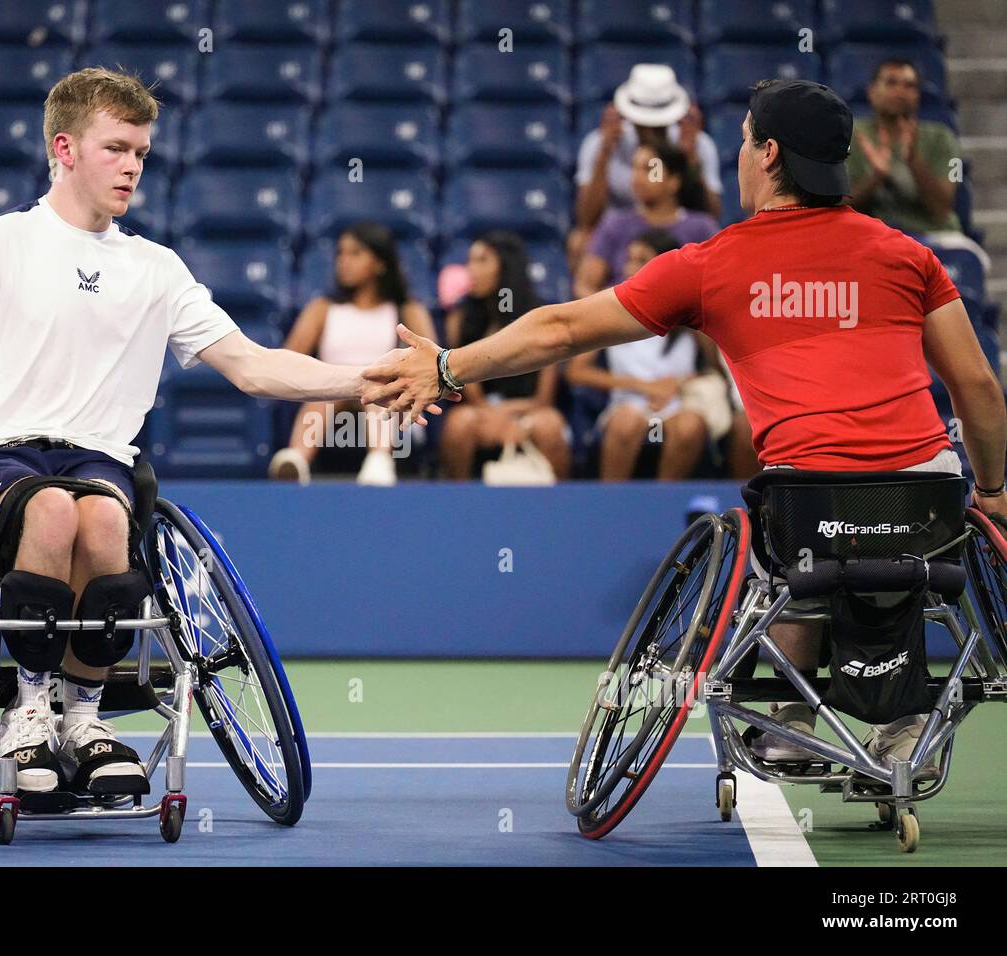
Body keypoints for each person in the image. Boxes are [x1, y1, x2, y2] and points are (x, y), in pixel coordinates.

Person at [362, 79, 1007, 773]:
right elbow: (977, 389)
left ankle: (790, 716)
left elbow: (562, 327)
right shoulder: (907, 254)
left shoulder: (714, 265)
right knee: (890, 526)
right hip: (927, 508)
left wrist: (450, 367)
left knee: (790, 538)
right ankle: (905, 723)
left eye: (741, 141)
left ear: (767, 154)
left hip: (808, 511)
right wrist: (993, 491)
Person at [0, 67, 445, 795]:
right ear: (64, 149)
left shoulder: (156, 269)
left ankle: (84, 718)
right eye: (117, 147)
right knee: (53, 506)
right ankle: (28, 712)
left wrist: (364, 380)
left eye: (142, 151)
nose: (133, 164)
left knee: (103, 517)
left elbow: (254, 367)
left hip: (99, 459)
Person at [268, 222, 436, 486]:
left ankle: (380, 461)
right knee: (322, 399)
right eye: (340, 254)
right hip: (331, 392)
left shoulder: (408, 310)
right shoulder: (322, 308)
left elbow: (431, 363)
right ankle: (296, 461)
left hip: (388, 396)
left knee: (375, 393)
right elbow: (289, 360)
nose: (343, 261)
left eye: (355, 254)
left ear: (380, 263)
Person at [567, 229, 711, 480]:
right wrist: (642, 386)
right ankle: (612, 500)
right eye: (629, 259)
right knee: (628, 422)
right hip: (628, 403)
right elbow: (576, 372)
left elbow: (714, 369)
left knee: (691, 425)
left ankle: (664, 503)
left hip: (676, 405)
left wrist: (677, 385)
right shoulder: (610, 311)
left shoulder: (691, 313)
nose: (629, 268)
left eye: (640, 260)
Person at [568, 64, 723, 277]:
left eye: (659, 122)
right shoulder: (599, 142)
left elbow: (711, 214)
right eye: (642, 121)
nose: (650, 128)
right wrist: (604, 154)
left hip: (678, 228)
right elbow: (585, 218)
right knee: (580, 240)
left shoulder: (698, 144)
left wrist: (691, 161)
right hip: (617, 230)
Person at [438, 231, 571, 481]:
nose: (471, 270)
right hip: (481, 411)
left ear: (506, 266)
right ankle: (456, 504)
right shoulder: (461, 318)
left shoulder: (541, 317)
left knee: (549, 425)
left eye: (482, 261)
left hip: (530, 409)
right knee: (459, 423)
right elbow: (466, 385)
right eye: (470, 261)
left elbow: (544, 398)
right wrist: (494, 416)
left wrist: (510, 418)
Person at [574, 141, 718, 299]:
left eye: (649, 169)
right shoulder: (614, 224)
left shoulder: (702, 228)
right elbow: (584, 286)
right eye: (635, 168)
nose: (637, 178)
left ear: (673, 182)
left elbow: (717, 285)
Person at [846, 59, 961, 237]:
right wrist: (876, 177)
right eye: (891, 82)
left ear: (917, 96)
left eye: (909, 85)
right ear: (872, 91)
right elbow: (838, 206)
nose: (900, 91)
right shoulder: (850, 135)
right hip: (872, 237)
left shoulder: (942, 136)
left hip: (935, 236)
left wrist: (914, 161)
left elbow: (941, 210)